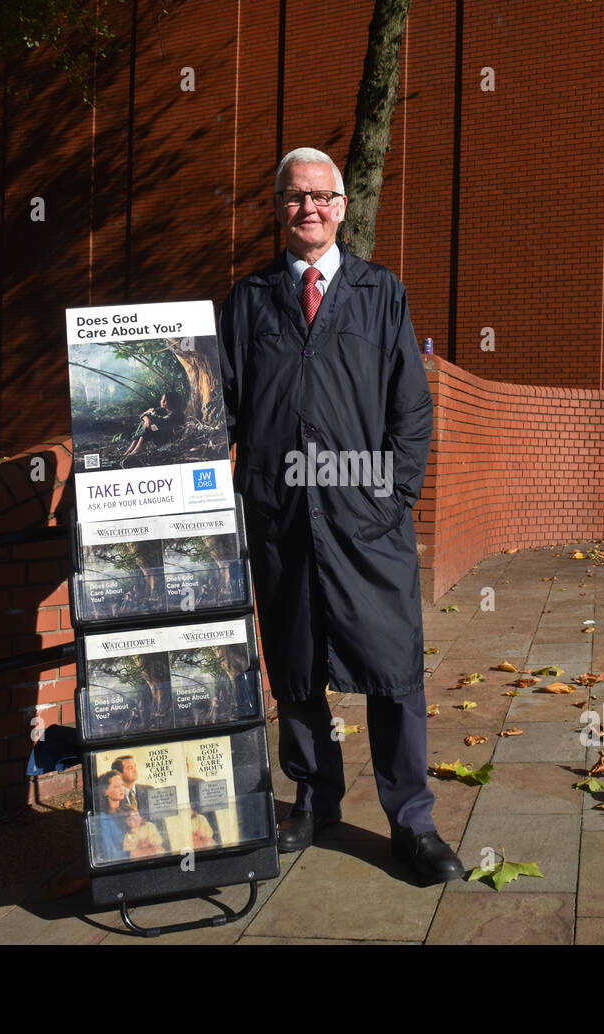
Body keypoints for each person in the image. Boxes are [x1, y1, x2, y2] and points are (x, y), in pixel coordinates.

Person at [216, 147, 463, 883]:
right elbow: (219, 407)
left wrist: (394, 499)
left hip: (367, 522)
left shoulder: (380, 294)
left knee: (393, 671)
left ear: (344, 206)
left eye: (323, 197)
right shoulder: (249, 299)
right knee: (295, 668)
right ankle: (314, 799)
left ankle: (411, 823)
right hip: (282, 519)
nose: (310, 209)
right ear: (278, 207)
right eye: (295, 197)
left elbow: (410, 411)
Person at [121, 391, 185, 461]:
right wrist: (147, 420)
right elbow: (143, 415)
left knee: (149, 425)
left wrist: (150, 415)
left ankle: (138, 448)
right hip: (159, 432)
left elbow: (163, 420)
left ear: (173, 402)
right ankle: (132, 447)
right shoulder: (162, 409)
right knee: (145, 423)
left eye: (165, 400)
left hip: (167, 437)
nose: (162, 401)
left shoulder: (177, 413)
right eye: (162, 399)